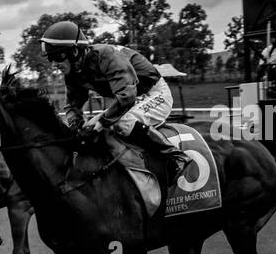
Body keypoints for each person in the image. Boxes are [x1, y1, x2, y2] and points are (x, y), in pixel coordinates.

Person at [40, 20, 189, 173]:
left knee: (122, 122)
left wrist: (101, 124)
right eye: (50, 59)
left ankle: (175, 156)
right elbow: (72, 106)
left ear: (74, 51)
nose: (53, 64)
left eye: (57, 57)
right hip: (129, 100)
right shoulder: (72, 74)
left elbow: (127, 96)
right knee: (88, 127)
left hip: (154, 93)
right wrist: (75, 128)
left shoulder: (106, 55)